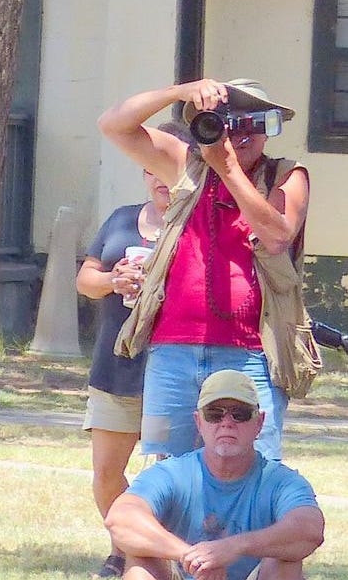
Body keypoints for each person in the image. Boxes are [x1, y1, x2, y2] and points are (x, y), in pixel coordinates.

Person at [97, 78, 316, 461]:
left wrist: (227, 167)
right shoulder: (186, 165)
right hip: (173, 352)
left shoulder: (285, 175)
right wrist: (179, 93)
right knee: (167, 471)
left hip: (251, 353)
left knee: (252, 472)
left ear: (270, 129)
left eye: (255, 123)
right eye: (229, 121)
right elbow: (113, 125)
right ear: (205, 123)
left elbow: (277, 235)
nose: (240, 134)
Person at [106, 370, 325, 580]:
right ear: (198, 422)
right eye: (215, 413)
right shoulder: (173, 473)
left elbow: (308, 531)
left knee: (286, 556)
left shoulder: (281, 481)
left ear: (259, 423)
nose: (227, 423)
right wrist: (192, 556)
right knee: (141, 551)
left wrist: (232, 548)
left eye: (239, 414)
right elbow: (120, 520)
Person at [76, 154, 174, 579]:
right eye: (152, 170)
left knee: (172, 473)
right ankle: (124, 547)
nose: (160, 180)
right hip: (116, 364)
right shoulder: (121, 219)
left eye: (168, 171)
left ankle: (165, 552)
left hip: (175, 365)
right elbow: (86, 281)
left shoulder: (195, 224)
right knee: (106, 473)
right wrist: (114, 281)